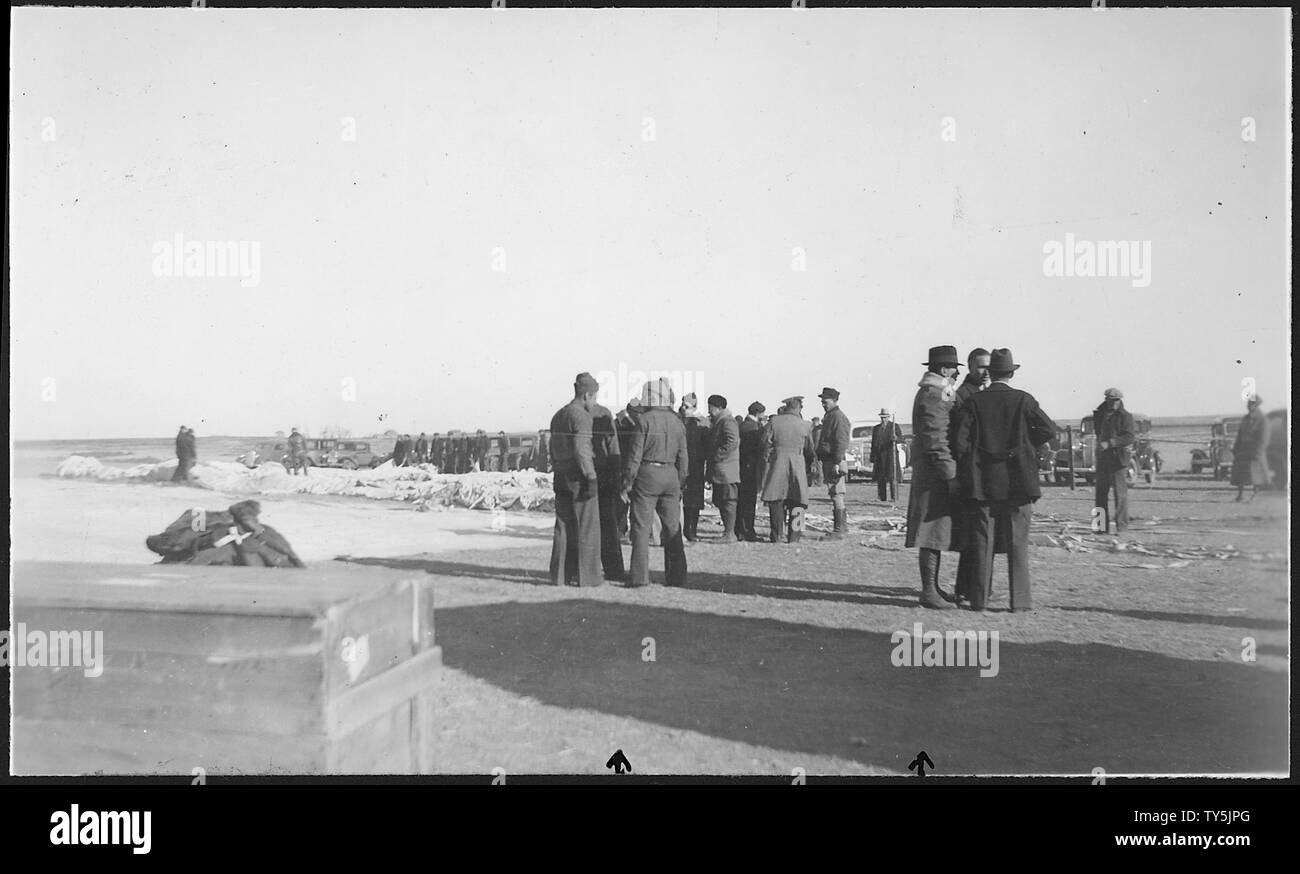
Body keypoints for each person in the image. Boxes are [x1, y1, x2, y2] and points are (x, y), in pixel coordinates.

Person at [951, 348, 1057, 612]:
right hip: (1019, 483)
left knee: (982, 544)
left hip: (983, 484)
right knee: (1018, 545)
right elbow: (1048, 429)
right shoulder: (1024, 400)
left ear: (991, 372)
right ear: (1011, 373)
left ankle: (978, 600)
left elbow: (960, 443)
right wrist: (1024, 447)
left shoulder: (975, 402)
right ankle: (1020, 602)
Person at [904, 346, 963, 609]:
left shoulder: (935, 392)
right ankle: (928, 591)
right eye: (954, 368)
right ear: (943, 370)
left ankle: (933, 587)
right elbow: (936, 438)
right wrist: (950, 474)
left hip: (932, 472)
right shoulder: (934, 395)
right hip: (934, 475)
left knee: (935, 533)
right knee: (930, 533)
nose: (957, 373)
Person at [621, 377, 689, 587]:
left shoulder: (645, 420)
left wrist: (627, 482)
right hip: (671, 475)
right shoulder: (677, 421)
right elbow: (684, 458)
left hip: (647, 475)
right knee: (672, 528)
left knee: (641, 528)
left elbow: (635, 456)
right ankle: (677, 577)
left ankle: (639, 577)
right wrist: (680, 480)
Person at [548, 373, 603, 587]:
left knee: (563, 526)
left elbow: (551, 448)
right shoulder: (581, 416)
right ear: (588, 394)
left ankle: (560, 576)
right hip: (579, 476)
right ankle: (588, 577)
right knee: (587, 527)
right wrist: (591, 476)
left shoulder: (558, 415)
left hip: (561, 475)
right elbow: (582, 450)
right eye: (594, 397)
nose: (595, 402)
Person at [761, 396, 815, 543]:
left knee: (776, 499)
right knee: (798, 500)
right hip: (798, 464)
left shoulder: (774, 422)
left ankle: (777, 535)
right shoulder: (806, 425)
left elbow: (765, 442)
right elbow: (810, 450)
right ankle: (795, 536)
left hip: (778, 463)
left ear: (786, 407)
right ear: (799, 408)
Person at [590, 398, 627, 580]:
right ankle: (614, 570)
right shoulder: (604, 414)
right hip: (604, 476)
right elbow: (614, 451)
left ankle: (584, 570)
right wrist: (617, 480)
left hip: (583, 475)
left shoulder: (574, 413)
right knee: (608, 527)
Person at [1093, 387, 1135, 533]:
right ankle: (1100, 527)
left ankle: (1121, 527)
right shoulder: (1099, 414)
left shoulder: (1125, 416)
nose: (1114, 403)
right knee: (1100, 493)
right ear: (1106, 400)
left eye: (1117, 400)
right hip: (1103, 459)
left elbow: (1129, 437)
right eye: (1111, 400)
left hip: (1118, 459)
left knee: (1120, 493)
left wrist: (1109, 443)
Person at [814, 389, 852, 538]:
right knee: (834, 493)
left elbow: (841, 442)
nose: (823, 404)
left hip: (834, 460)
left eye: (826, 401)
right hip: (830, 460)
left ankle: (839, 530)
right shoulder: (831, 415)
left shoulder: (837, 417)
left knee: (837, 494)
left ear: (834, 400)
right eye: (822, 401)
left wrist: (837, 462)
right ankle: (840, 528)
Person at [706, 395, 740, 544]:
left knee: (728, 501)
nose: (709, 411)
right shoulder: (721, 421)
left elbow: (732, 441)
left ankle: (729, 533)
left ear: (717, 407)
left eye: (710, 408)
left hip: (726, 468)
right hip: (721, 468)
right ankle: (728, 532)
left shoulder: (727, 421)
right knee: (720, 500)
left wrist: (717, 455)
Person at [679, 393, 709, 542]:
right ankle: (684, 529)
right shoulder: (680, 420)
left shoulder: (702, 423)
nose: (683, 408)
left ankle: (692, 530)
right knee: (683, 500)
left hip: (696, 465)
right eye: (683, 405)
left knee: (694, 501)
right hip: (682, 465)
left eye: (686, 406)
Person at [1231, 394, 1271, 502]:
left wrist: (1258, 452)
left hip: (1255, 451)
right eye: (1248, 404)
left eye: (1252, 404)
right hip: (1243, 450)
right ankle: (1240, 495)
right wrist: (1235, 448)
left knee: (1256, 476)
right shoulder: (1245, 418)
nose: (1249, 406)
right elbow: (1240, 435)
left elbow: (1264, 438)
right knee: (1240, 475)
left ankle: (1254, 495)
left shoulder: (1262, 419)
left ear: (1257, 405)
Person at [736, 401, 767, 541]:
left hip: (742, 467)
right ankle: (747, 530)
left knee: (742, 501)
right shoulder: (753, 428)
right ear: (757, 413)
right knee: (748, 502)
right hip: (750, 468)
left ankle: (740, 529)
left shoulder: (743, 425)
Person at [614, 400, 642, 541]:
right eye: (638, 413)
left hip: (631, 467)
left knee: (631, 500)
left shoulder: (631, 424)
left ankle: (626, 530)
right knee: (622, 501)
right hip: (622, 467)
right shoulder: (620, 424)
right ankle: (620, 529)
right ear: (631, 412)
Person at [872, 409, 904, 503]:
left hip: (891, 456)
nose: (883, 420)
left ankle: (894, 497)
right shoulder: (876, 428)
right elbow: (874, 443)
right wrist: (872, 456)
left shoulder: (894, 427)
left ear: (888, 417)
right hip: (879, 456)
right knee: (881, 478)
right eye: (882, 418)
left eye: (885, 417)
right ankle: (882, 497)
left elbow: (902, 439)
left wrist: (896, 438)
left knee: (892, 477)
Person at [808, 417, 824, 486]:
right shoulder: (818, 429)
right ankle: (817, 481)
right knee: (817, 466)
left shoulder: (817, 430)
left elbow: (816, 441)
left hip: (817, 451)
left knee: (818, 466)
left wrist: (814, 450)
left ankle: (819, 481)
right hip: (818, 450)